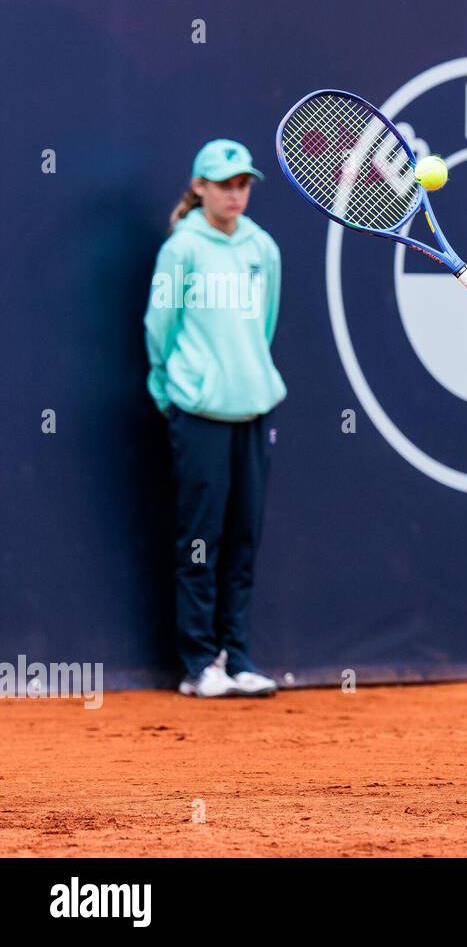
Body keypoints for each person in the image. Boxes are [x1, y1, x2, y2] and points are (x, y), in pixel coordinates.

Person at [145, 139, 286, 698]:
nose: (235, 193)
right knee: (200, 539)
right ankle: (201, 664)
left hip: (253, 407)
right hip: (197, 410)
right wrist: (171, 387)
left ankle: (238, 657)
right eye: (224, 184)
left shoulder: (264, 248)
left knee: (243, 538)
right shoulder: (181, 250)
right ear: (200, 188)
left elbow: (265, 323)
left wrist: (246, 373)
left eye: (243, 184)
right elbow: (160, 327)